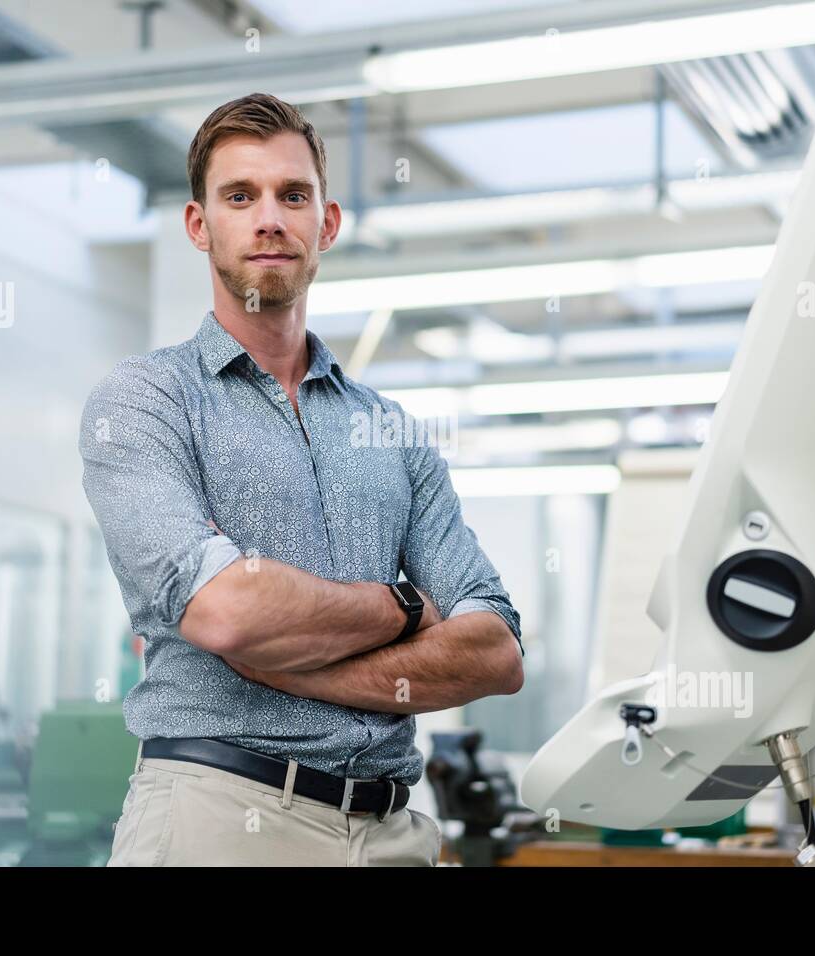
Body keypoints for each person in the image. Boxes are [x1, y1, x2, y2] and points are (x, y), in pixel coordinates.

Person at [80, 92, 523, 866]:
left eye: (293, 195)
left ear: (328, 223)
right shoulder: (145, 401)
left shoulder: (390, 431)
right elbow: (229, 617)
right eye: (239, 196)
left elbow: (496, 651)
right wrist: (406, 605)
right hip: (217, 816)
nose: (269, 218)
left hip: (392, 834)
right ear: (198, 225)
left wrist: (302, 668)